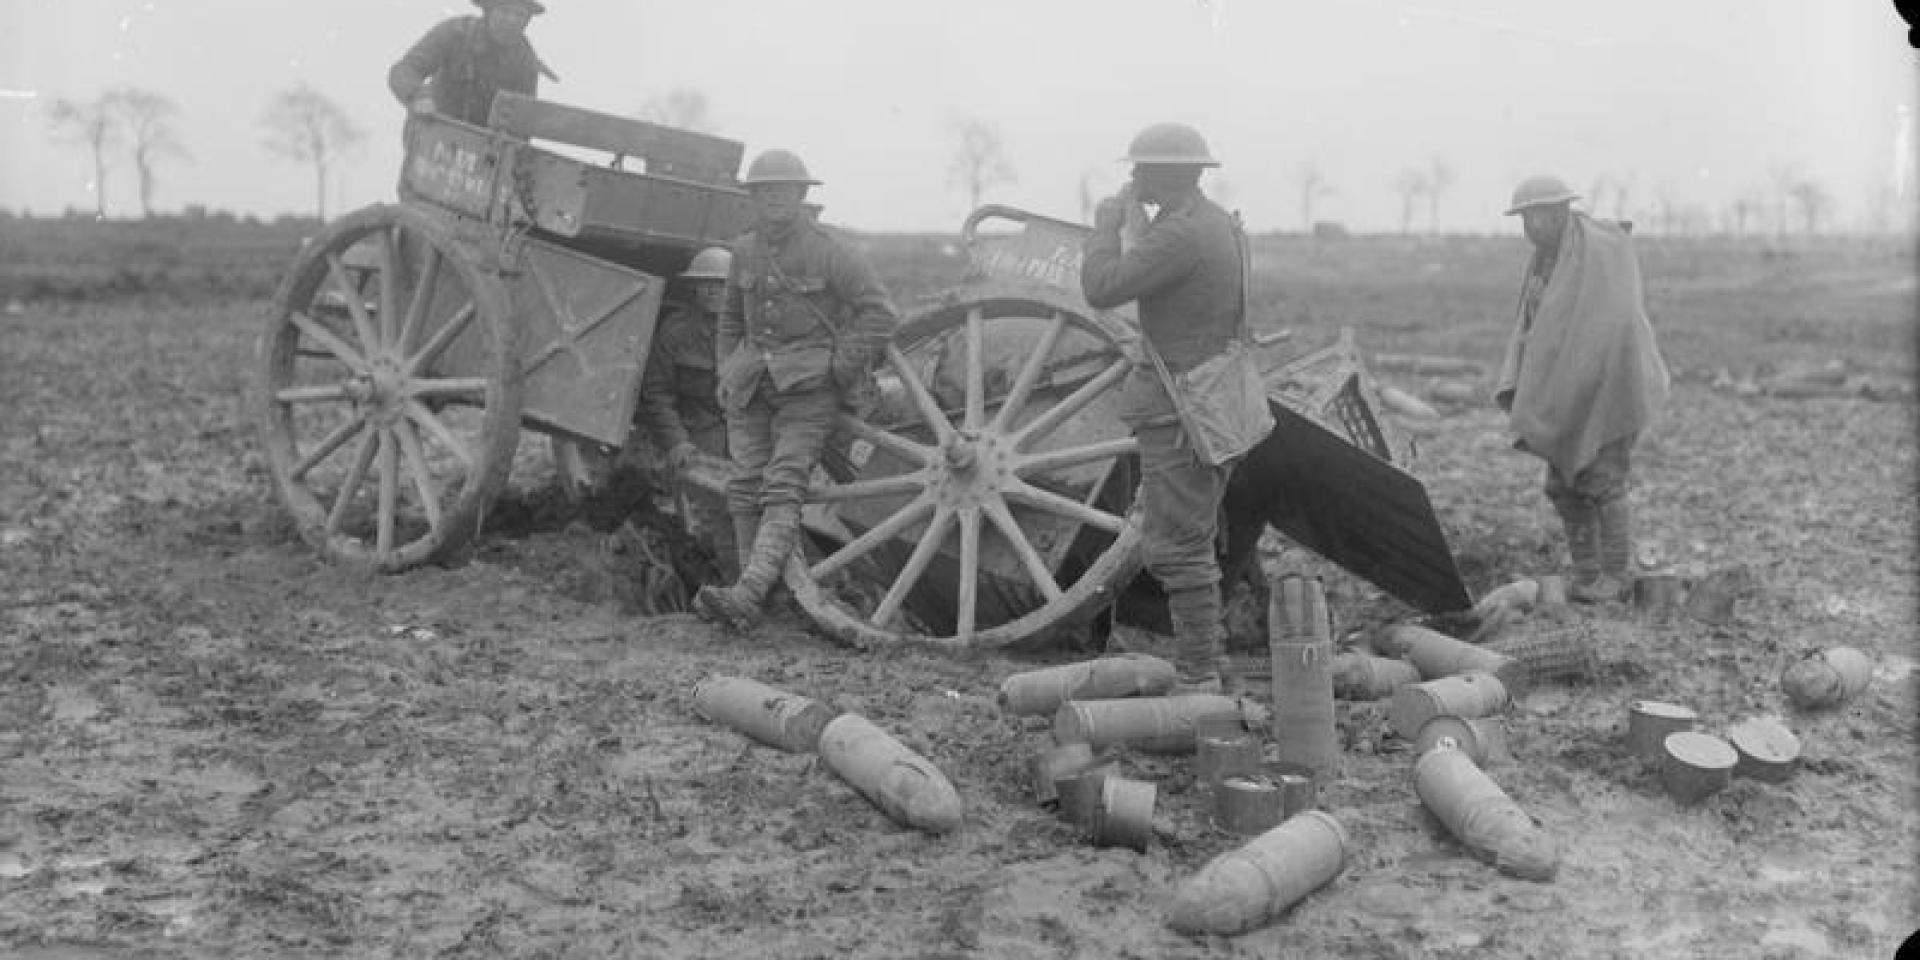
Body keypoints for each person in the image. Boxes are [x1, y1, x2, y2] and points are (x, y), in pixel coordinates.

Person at [692, 149, 899, 630]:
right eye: (765, 192)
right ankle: (753, 596)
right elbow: (729, 319)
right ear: (754, 198)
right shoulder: (743, 250)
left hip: (808, 389)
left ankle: (749, 592)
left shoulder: (833, 251)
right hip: (749, 386)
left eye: (784, 191)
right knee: (744, 484)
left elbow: (880, 313)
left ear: (802, 195)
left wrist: (838, 367)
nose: (775, 201)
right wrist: (727, 369)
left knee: (783, 482)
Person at [1080, 122, 1249, 693]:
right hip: (1208, 394)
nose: (1132, 177)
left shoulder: (1178, 235)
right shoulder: (1210, 223)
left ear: (1164, 175)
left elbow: (1101, 286)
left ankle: (1200, 675)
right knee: (1191, 537)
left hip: (1180, 405)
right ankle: (1210, 662)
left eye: (1141, 169)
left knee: (1176, 545)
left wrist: (1106, 225)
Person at [1495, 175, 1670, 603]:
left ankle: (1616, 574)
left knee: (1604, 481)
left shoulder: (1600, 251)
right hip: (1564, 392)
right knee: (1562, 486)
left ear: (1559, 212)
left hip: (1609, 386)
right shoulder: (1544, 260)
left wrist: (1587, 379)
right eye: (1524, 219)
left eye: (1537, 216)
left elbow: (1615, 321)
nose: (1530, 227)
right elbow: (1536, 331)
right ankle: (1587, 572)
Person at [636, 247, 738, 579]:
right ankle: (730, 581)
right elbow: (656, 395)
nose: (713, 292)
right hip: (699, 430)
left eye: (721, 285)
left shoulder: (748, 330)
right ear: (694, 288)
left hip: (746, 431)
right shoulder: (675, 333)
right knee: (718, 512)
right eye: (706, 284)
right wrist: (677, 442)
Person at [387, 0, 557, 127]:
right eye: (504, 11)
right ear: (489, 11)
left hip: (483, 151)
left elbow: (521, 121)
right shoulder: (456, 33)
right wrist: (418, 96)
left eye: (519, 14)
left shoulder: (525, 60)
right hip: (433, 132)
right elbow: (405, 70)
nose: (511, 20)